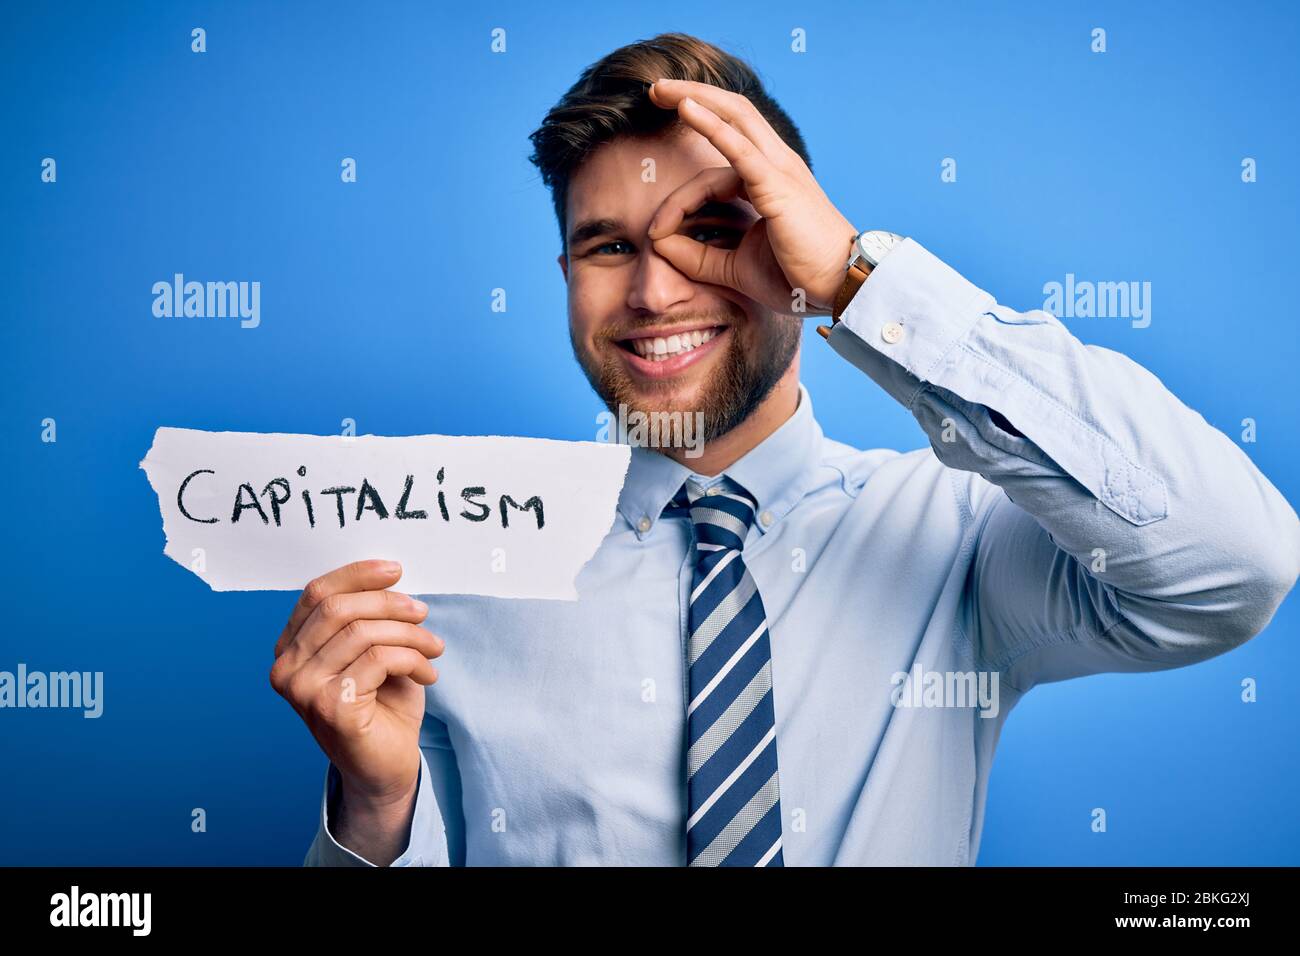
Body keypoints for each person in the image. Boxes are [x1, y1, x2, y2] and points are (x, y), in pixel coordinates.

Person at [270, 33, 1300, 866]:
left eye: (711, 231)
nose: (654, 291)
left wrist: (861, 284)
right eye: (608, 246)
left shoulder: (961, 542)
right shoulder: (452, 578)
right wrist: (372, 814)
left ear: (786, 237)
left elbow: (1237, 564)